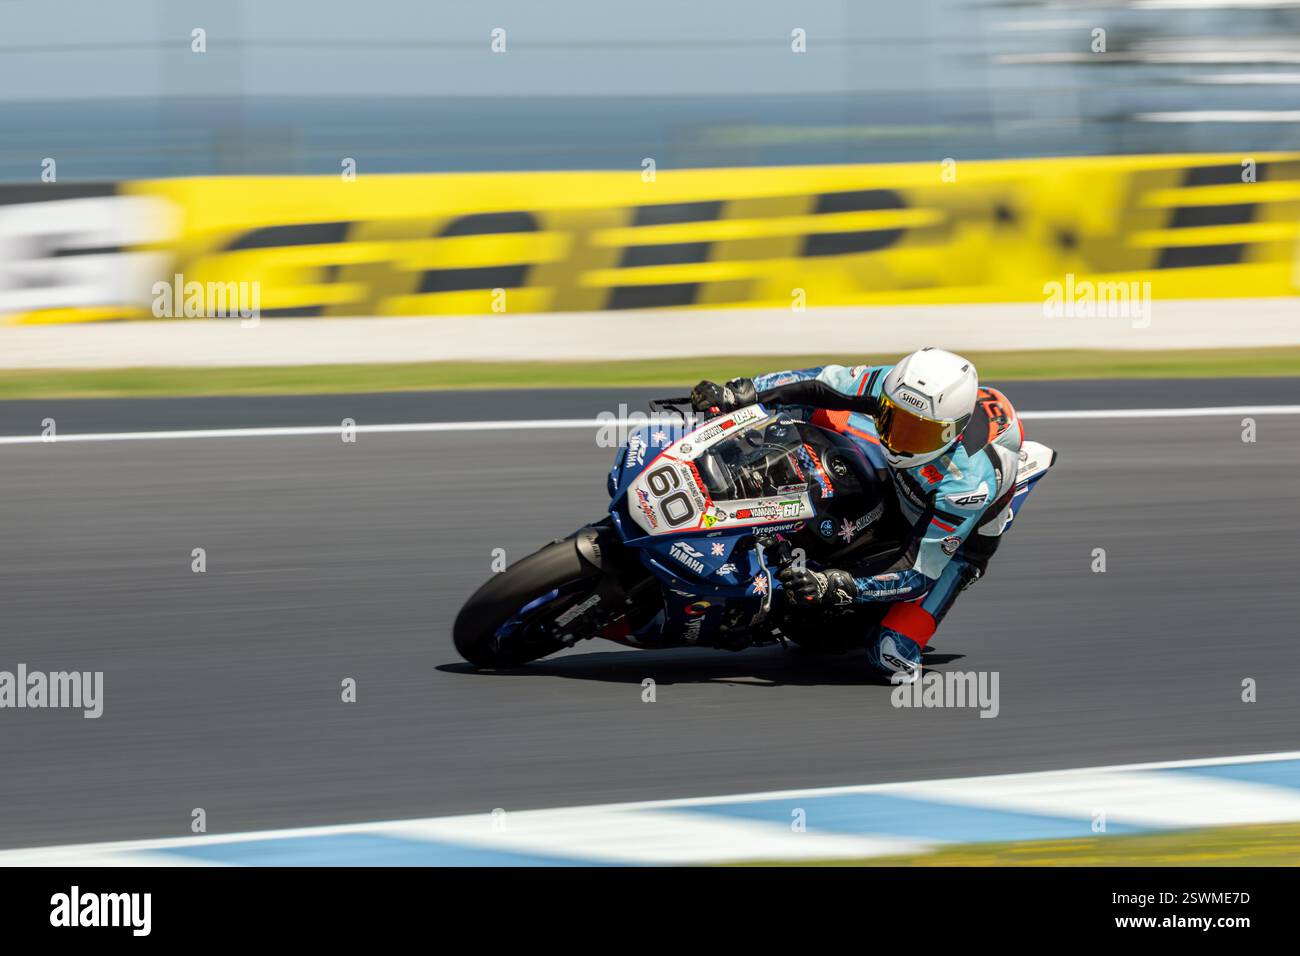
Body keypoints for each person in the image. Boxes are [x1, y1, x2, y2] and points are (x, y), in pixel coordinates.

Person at [689, 348, 1024, 679]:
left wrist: (837, 584)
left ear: (951, 433)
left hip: (950, 543)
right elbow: (820, 381)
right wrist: (743, 391)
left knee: (890, 654)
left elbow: (917, 570)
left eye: (918, 431)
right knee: (813, 411)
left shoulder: (965, 486)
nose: (900, 440)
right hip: (899, 481)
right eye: (895, 419)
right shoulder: (896, 388)